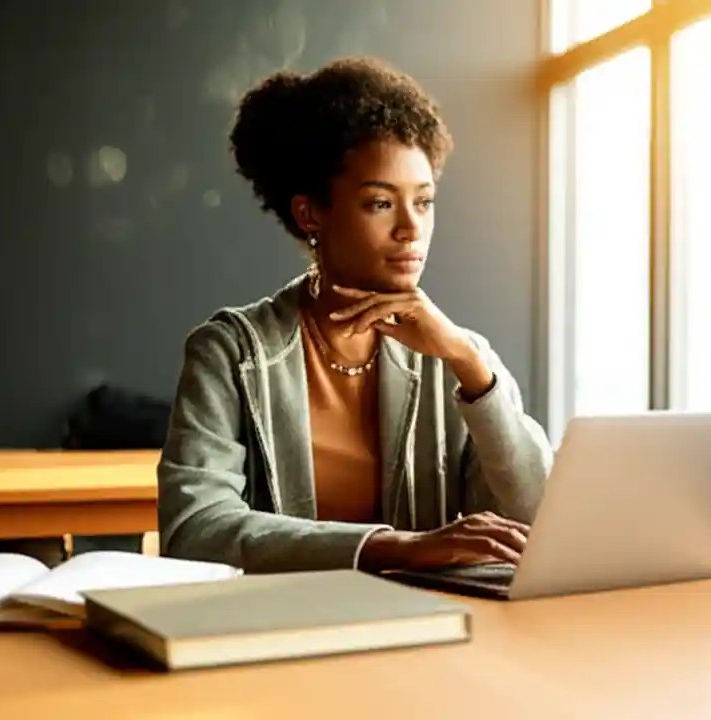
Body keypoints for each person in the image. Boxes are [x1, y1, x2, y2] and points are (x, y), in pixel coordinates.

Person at [158, 57, 553, 574]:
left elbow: (538, 520)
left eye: (425, 202)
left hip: (425, 629)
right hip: (273, 629)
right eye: (380, 204)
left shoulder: (455, 356)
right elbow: (195, 529)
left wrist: (471, 367)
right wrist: (396, 547)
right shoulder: (230, 352)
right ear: (310, 213)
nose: (411, 229)